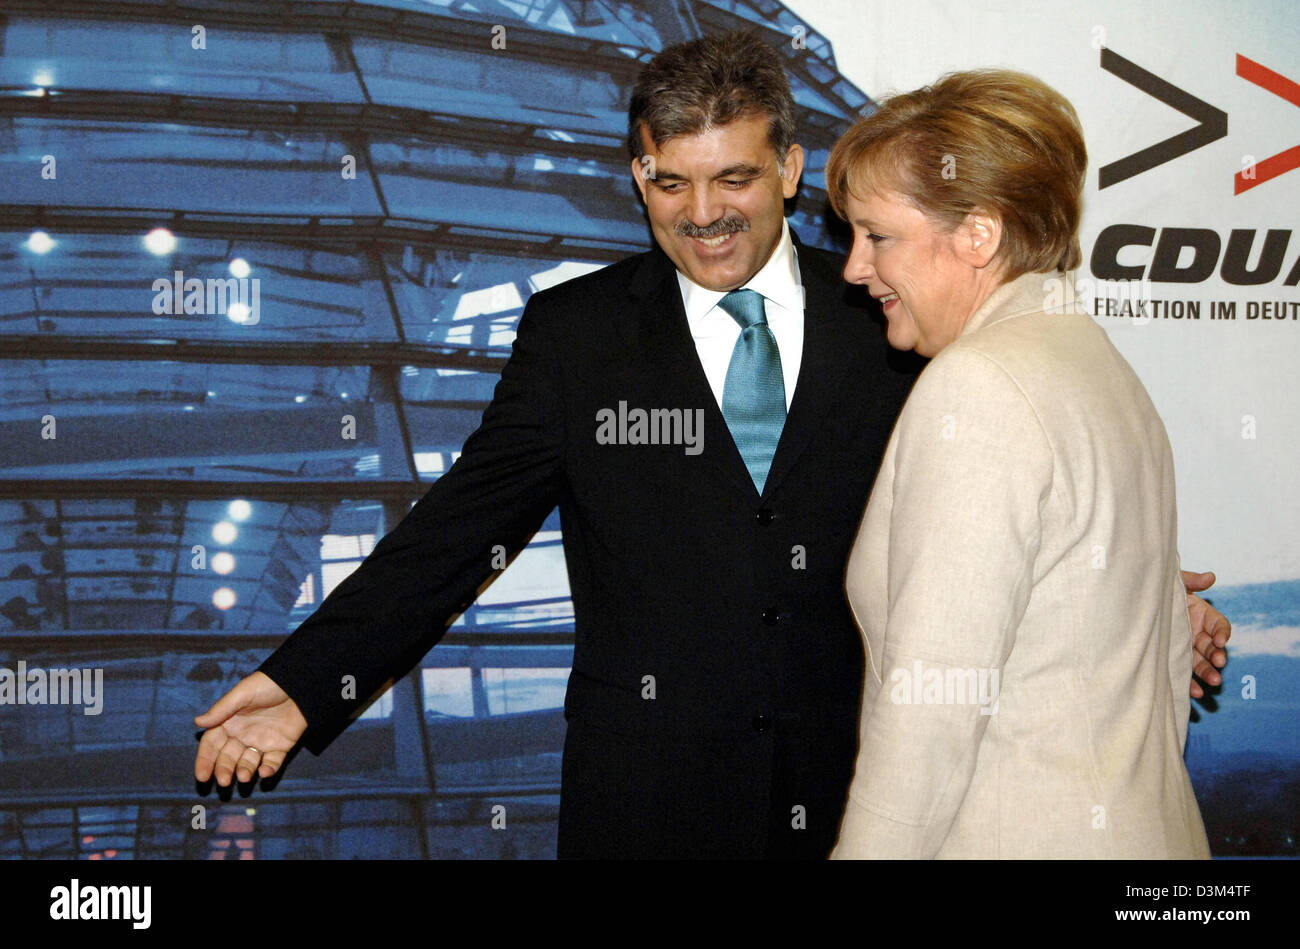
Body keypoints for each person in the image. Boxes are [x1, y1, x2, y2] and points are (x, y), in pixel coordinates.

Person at [194, 33, 1229, 860]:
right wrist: (309, 681)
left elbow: (1010, 499)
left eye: (732, 178)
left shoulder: (901, 318)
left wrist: (1132, 596)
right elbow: (461, 530)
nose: (701, 216)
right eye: (667, 183)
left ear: (788, 168)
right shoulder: (577, 336)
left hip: (867, 793)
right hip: (648, 807)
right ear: (634, 173)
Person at [826, 69, 1211, 858]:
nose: (854, 268)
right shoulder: (1095, 364)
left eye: (879, 236)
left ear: (979, 233)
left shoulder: (981, 384)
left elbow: (931, 711)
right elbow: (1164, 663)